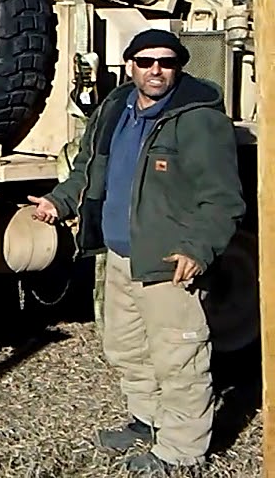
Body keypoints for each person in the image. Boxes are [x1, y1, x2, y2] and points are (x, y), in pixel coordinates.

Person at [27, 28, 245, 476]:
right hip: (121, 256)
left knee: (179, 357)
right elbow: (89, 170)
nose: (155, 70)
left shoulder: (199, 120)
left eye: (166, 62)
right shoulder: (116, 107)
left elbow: (223, 199)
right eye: (145, 62)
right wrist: (59, 201)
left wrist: (197, 249)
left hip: (168, 262)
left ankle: (181, 451)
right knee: (128, 348)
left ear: (179, 66)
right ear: (130, 65)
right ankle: (148, 421)